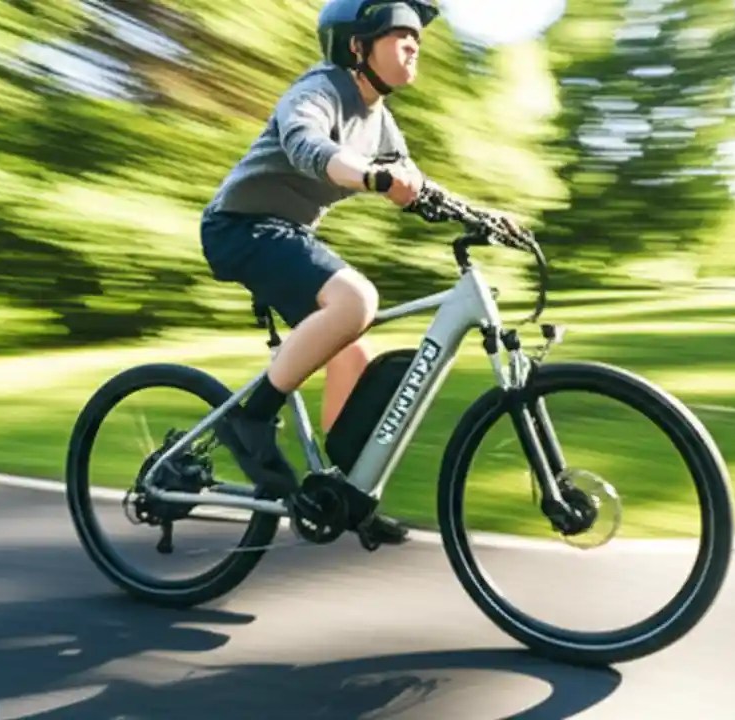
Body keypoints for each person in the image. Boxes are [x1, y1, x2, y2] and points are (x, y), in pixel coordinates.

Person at [198, 0, 524, 518]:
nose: (415, 46)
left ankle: (342, 495)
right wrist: (369, 174)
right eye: (402, 37)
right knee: (357, 301)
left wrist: (484, 217)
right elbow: (308, 145)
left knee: (351, 352)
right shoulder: (318, 91)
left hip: (284, 233)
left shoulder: (380, 121)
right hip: (239, 227)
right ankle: (250, 419)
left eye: (418, 39)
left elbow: (417, 188)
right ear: (357, 46)